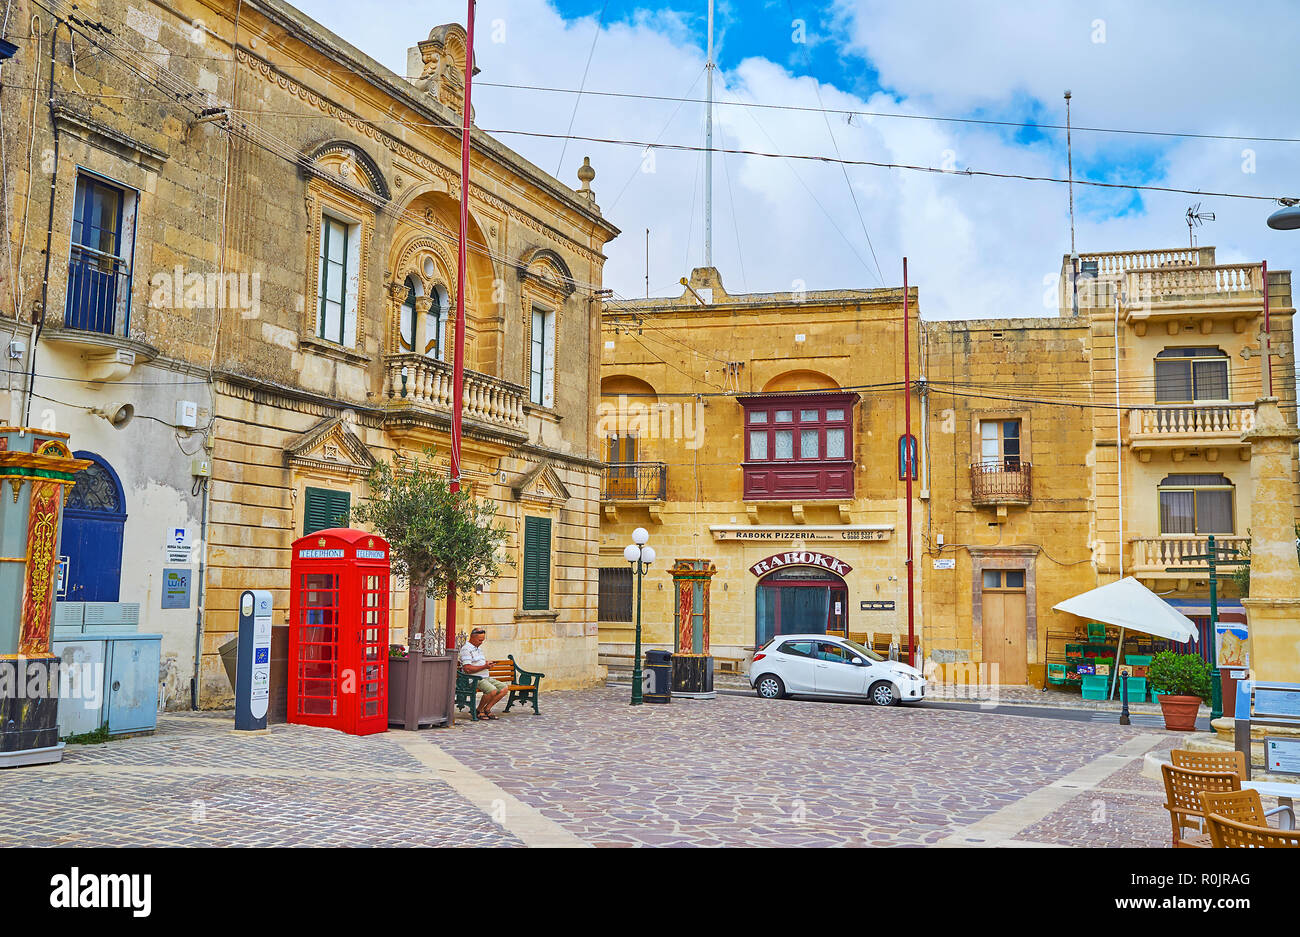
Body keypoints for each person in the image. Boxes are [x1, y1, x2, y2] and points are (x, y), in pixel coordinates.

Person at [458, 628, 508, 720]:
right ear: (472, 638)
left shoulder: (478, 649)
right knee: (492, 690)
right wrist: (485, 666)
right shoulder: (466, 649)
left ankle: (487, 709)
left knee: (504, 688)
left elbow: (479, 663)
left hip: (485, 677)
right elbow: (467, 669)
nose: (481, 642)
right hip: (474, 678)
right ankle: (478, 710)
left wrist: (487, 663)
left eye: (483, 640)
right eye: (480, 640)